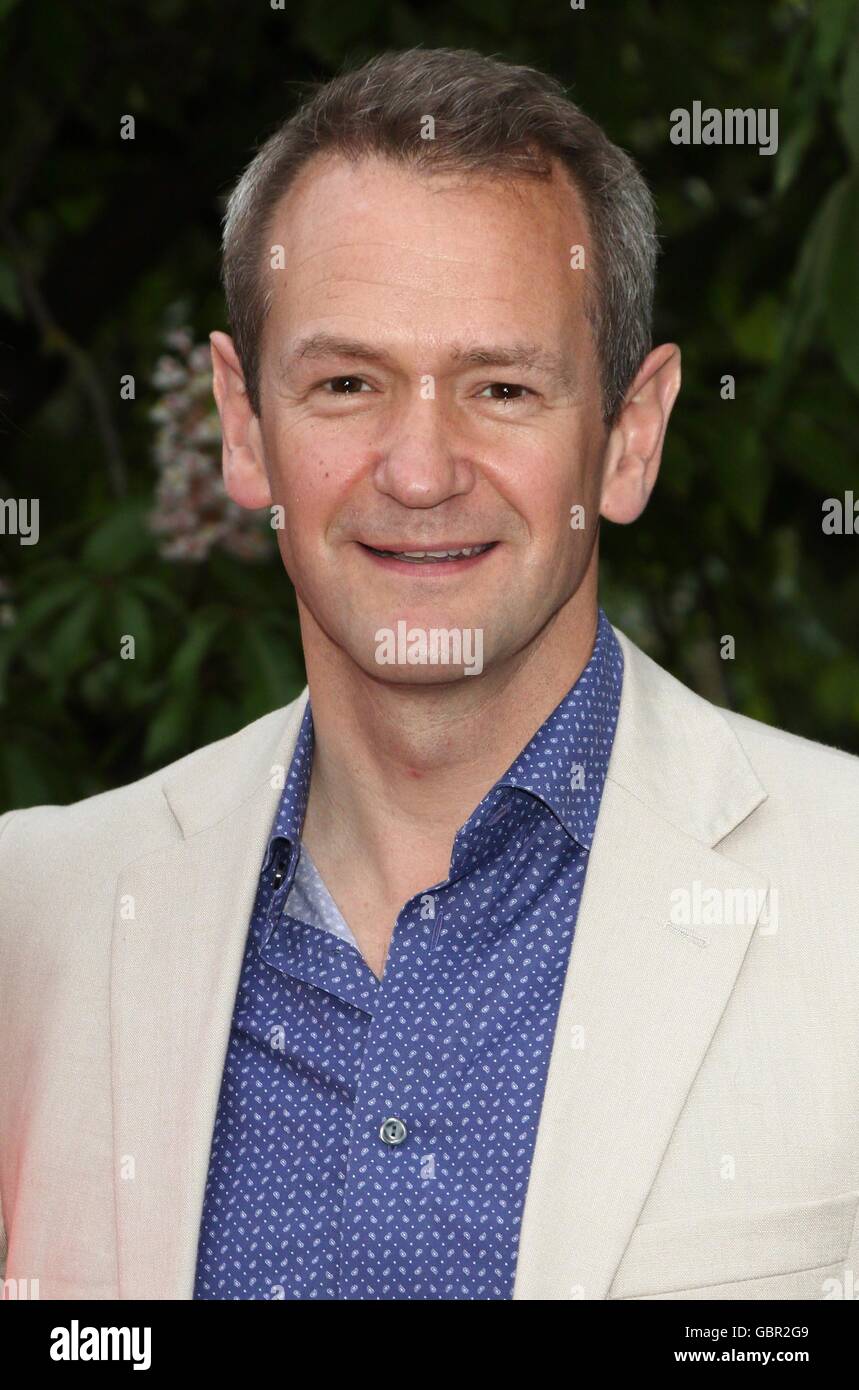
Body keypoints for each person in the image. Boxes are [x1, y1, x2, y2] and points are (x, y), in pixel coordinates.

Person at [1, 47, 857, 1302]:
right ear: (244, 429)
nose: (418, 469)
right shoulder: (36, 924)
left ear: (629, 435)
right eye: (347, 383)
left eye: (500, 386)